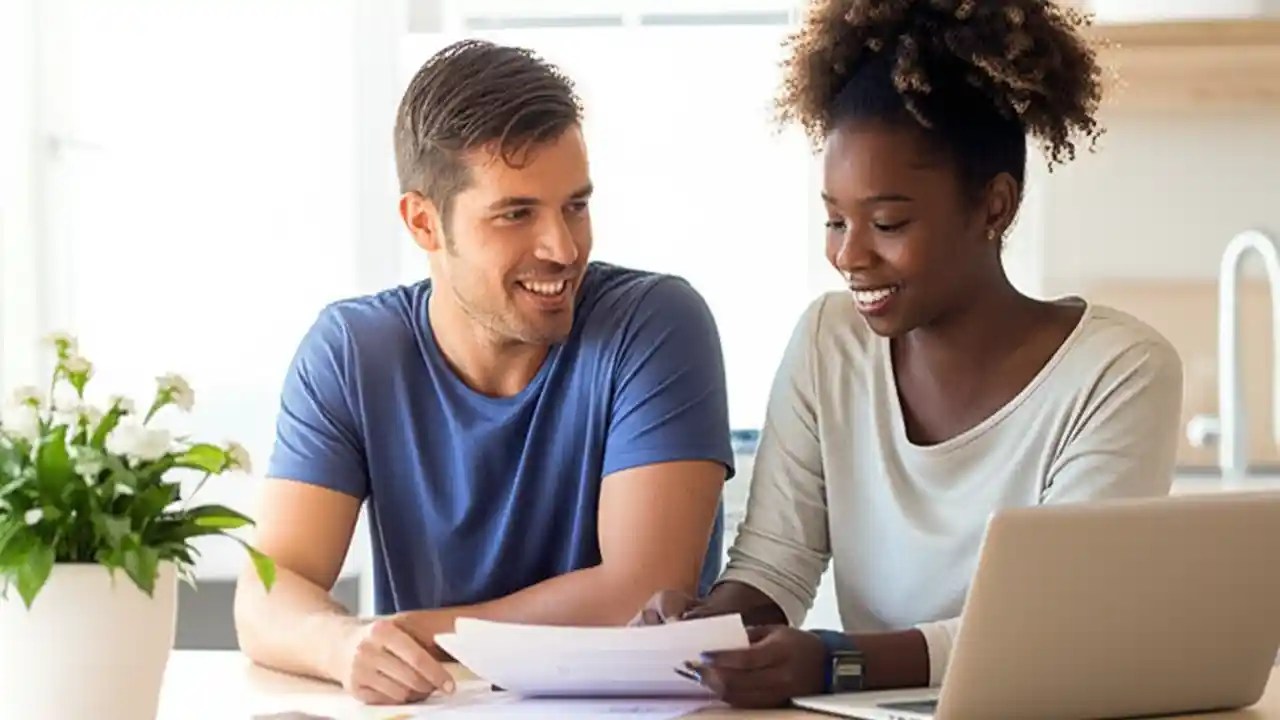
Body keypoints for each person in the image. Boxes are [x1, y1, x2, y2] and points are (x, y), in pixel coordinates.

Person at [635, 0, 1184, 709]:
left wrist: (839, 662)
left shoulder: (1117, 374)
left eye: (888, 222)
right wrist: (697, 633)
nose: (849, 255)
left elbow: (1053, 630)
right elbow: (774, 570)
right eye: (834, 219)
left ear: (995, 208)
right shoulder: (828, 342)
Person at [234, 39, 735, 706]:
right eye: (516, 214)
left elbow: (641, 594)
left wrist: (408, 632)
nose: (563, 248)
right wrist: (342, 645)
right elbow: (270, 589)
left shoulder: (656, 324)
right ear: (423, 222)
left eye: (576, 206)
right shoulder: (353, 352)